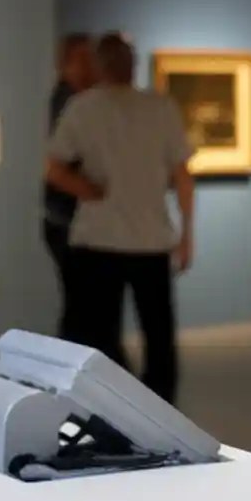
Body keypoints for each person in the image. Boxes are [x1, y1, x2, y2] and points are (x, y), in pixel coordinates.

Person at [45, 31, 195, 405]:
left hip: (96, 239)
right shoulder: (160, 108)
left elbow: (53, 168)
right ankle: (161, 411)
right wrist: (187, 232)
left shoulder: (83, 108)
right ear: (134, 64)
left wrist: (87, 190)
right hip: (150, 240)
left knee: (98, 334)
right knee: (159, 336)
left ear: (99, 65)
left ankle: (104, 407)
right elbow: (182, 176)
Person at [44, 32, 95, 338]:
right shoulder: (68, 104)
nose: (92, 68)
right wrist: (96, 193)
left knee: (82, 309)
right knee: (83, 309)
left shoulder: (76, 102)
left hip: (70, 219)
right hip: (68, 220)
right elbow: (58, 168)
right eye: (84, 60)